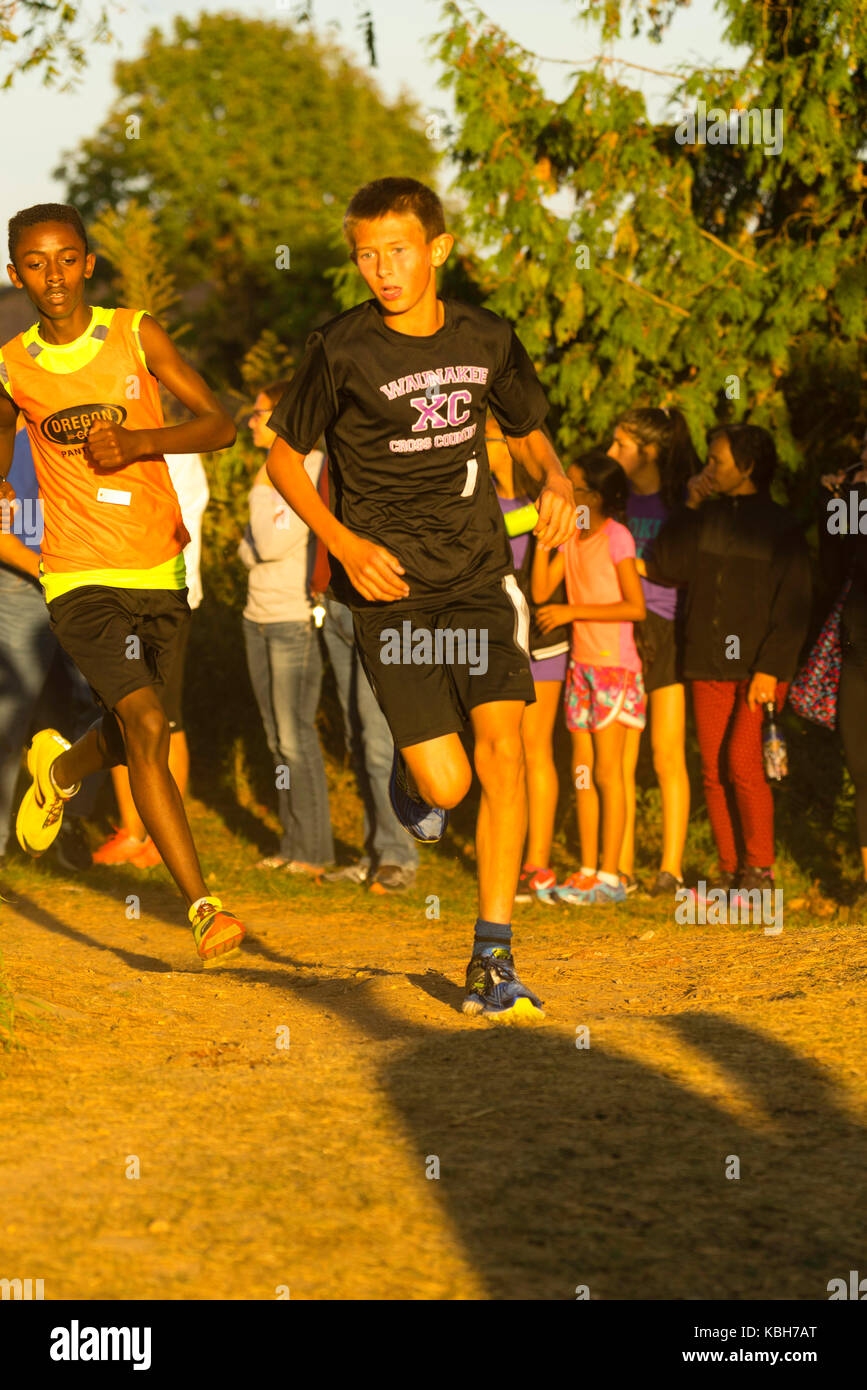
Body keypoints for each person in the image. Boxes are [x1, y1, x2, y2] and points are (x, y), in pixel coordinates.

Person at [264, 176, 575, 1019]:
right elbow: (283, 459)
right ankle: (421, 786)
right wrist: (344, 544)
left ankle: (491, 958)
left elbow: (528, 429)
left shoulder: (487, 335)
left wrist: (556, 479)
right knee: (446, 784)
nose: (382, 269)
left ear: (437, 249)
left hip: (476, 576)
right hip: (389, 588)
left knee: (503, 749)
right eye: (366, 255)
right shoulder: (340, 349)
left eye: (397, 251)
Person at [0, 202, 245, 964]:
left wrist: (143, 439)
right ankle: (202, 909)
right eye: (35, 264)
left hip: (158, 567)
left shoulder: (135, 333)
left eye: (66, 258)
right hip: (77, 575)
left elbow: (221, 424)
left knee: (142, 724)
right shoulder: (11, 366)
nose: (54, 277)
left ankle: (63, 765)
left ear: (88, 262)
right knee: (146, 727)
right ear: (16, 275)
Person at [646, 423, 811, 899]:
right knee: (714, 770)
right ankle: (729, 870)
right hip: (705, 661)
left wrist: (771, 667)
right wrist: (690, 504)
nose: (708, 469)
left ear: (749, 467)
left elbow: (795, 602)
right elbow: (667, 565)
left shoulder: (781, 526)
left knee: (743, 763)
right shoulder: (704, 515)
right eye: (708, 461)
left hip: (760, 668)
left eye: (717, 461)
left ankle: (760, 870)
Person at [533, 449, 646, 905]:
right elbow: (542, 591)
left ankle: (611, 875)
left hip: (614, 667)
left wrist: (571, 611)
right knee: (582, 772)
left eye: (572, 487)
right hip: (581, 668)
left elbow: (634, 607)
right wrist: (545, 539)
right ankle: (586, 868)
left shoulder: (617, 538)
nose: (563, 493)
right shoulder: (571, 538)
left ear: (594, 497)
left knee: (607, 773)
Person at [92, 450, 209, 867]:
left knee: (165, 718)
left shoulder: (179, 450)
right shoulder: (109, 443)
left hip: (166, 598)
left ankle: (164, 835)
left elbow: (173, 518)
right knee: (121, 712)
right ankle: (132, 829)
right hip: (109, 597)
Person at [239, 380, 334, 874]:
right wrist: (253, 543)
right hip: (256, 616)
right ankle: (292, 845)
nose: (252, 422)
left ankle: (314, 853)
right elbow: (249, 546)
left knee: (296, 737)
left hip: (292, 620)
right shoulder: (268, 473)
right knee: (276, 739)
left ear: (284, 417)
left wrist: (260, 491)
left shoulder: (306, 468)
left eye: (259, 414)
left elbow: (268, 545)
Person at [0, 418, 102, 870]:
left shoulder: (79, 441)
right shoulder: (7, 443)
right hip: (22, 588)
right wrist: (48, 570)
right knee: (7, 719)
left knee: (100, 708)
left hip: (83, 587)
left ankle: (69, 819)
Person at [607, 406, 699, 896]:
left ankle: (670, 869)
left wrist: (637, 570)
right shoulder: (614, 502)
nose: (610, 453)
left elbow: (681, 565)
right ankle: (616, 867)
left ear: (649, 451)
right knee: (621, 755)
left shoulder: (682, 501)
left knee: (666, 754)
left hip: (666, 630)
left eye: (619, 445)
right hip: (619, 631)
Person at [485, 411, 568, 903]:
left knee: (536, 746)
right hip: (497, 633)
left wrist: (536, 514)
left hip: (539, 631)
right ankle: (508, 858)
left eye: (485, 436)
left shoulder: (544, 497)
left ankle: (538, 863)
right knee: (503, 747)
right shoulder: (482, 496)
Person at [819, 447, 867, 923]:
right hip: (858, 654)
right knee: (863, 771)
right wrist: (837, 504)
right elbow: (833, 567)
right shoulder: (852, 505)